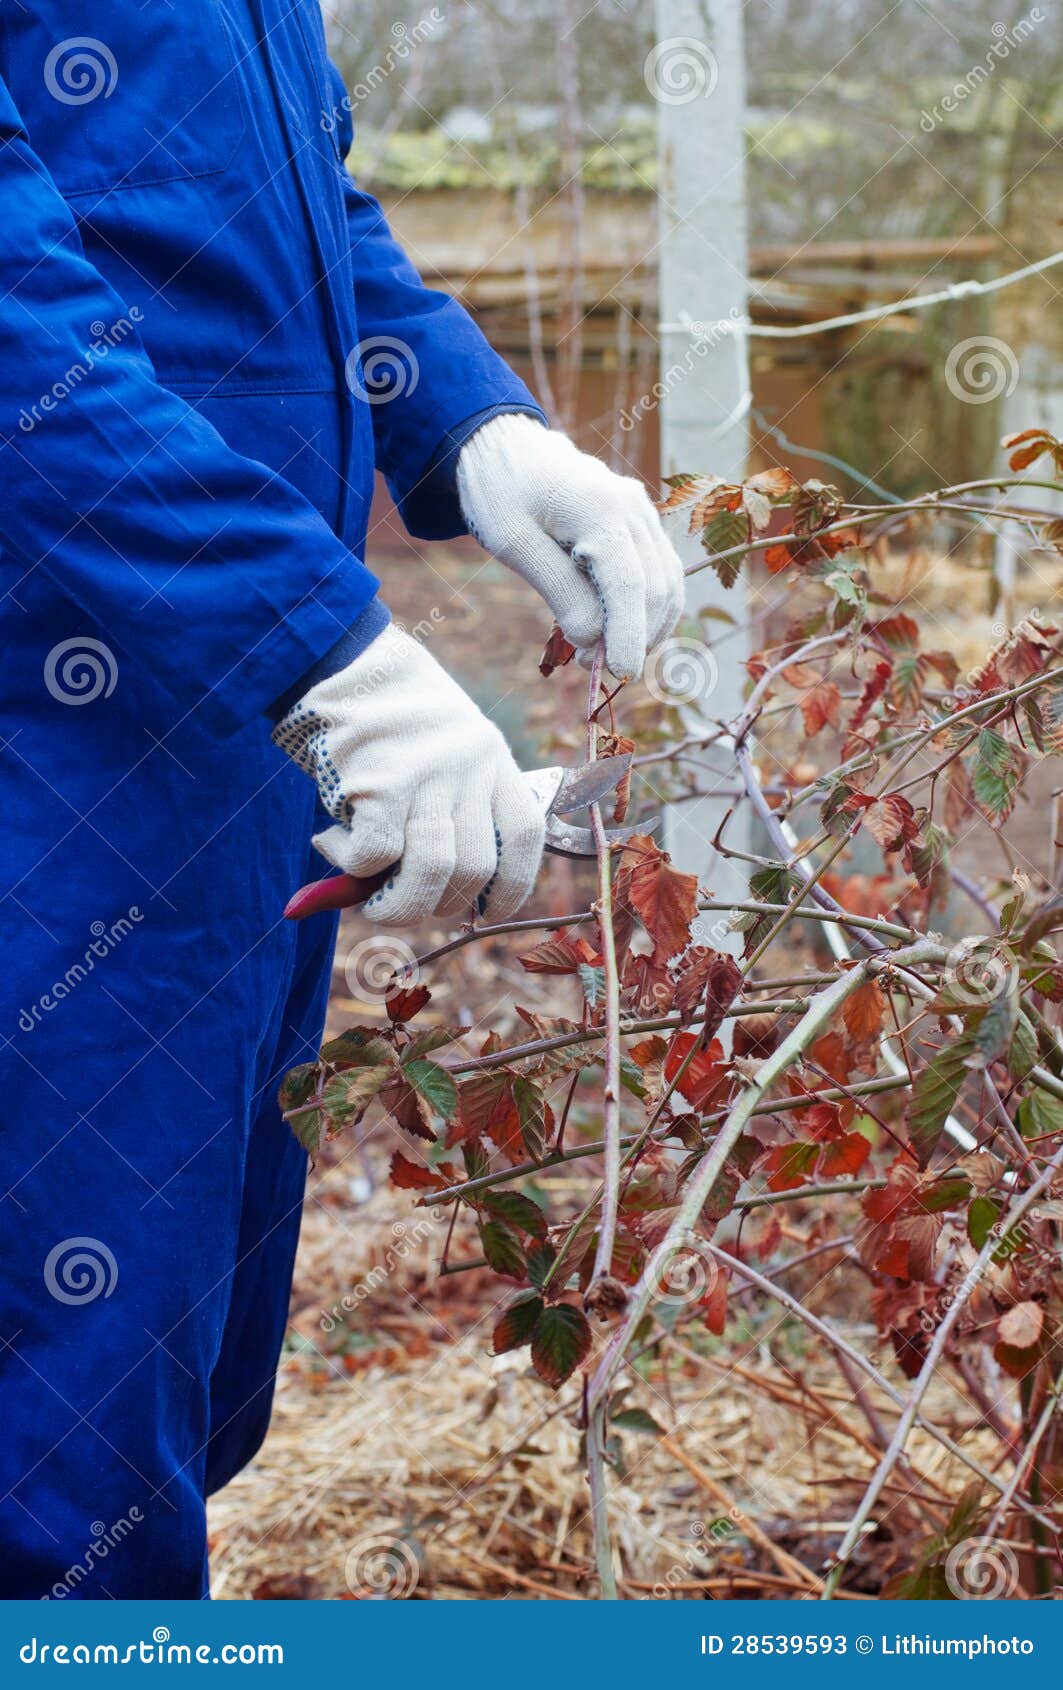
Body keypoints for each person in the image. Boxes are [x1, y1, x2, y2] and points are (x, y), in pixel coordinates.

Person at [0, 3, 683, 1598]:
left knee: (175, 1390)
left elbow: (270, 194)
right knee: (59, 1455)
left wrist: (468, 418)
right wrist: (318, 642)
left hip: (215, 740)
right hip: (53, 738)